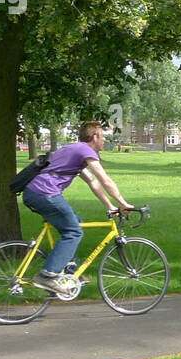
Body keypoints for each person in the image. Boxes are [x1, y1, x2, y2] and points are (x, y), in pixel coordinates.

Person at [22, 121, 134, 295]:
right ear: (95, 137)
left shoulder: (73, 150)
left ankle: (69, 272)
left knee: (76, 223)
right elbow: (104, 180)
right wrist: (123, 203)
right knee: (74, 231)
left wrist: (111, 206)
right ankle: (47, 276)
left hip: (35, 193)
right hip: (44, 194)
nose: (104, 140)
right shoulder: (85, 151)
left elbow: (92, 182)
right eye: (103, 136)